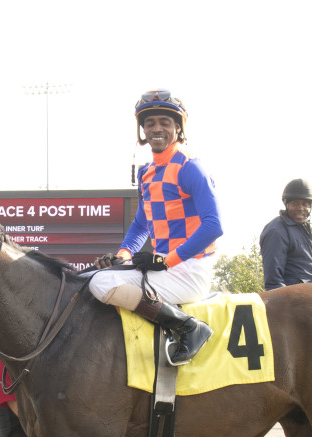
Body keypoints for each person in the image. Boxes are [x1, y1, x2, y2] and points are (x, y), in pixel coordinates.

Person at [92, 88, 224, 367]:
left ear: (178, 127)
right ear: (142, 130)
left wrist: (166, 260)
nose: (157, 129)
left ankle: (189, 327)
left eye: (165, 122)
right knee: (94, 275)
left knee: (99, 283)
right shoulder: (147, 173)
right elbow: (142, 223)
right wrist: (124, 255)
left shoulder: (190, 167)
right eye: (149, 123)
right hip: (165, 268)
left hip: (190, 270)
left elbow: (213, 226)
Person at [260, 179, 312, 291]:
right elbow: (273, 280)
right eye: (295, 204)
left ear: (310, 207)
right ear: (286, 204)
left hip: (311, 288)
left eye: (305, 204)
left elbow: (306, 264)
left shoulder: (307, 229)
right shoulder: (276, 230)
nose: (300, 208)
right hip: (293, 295)